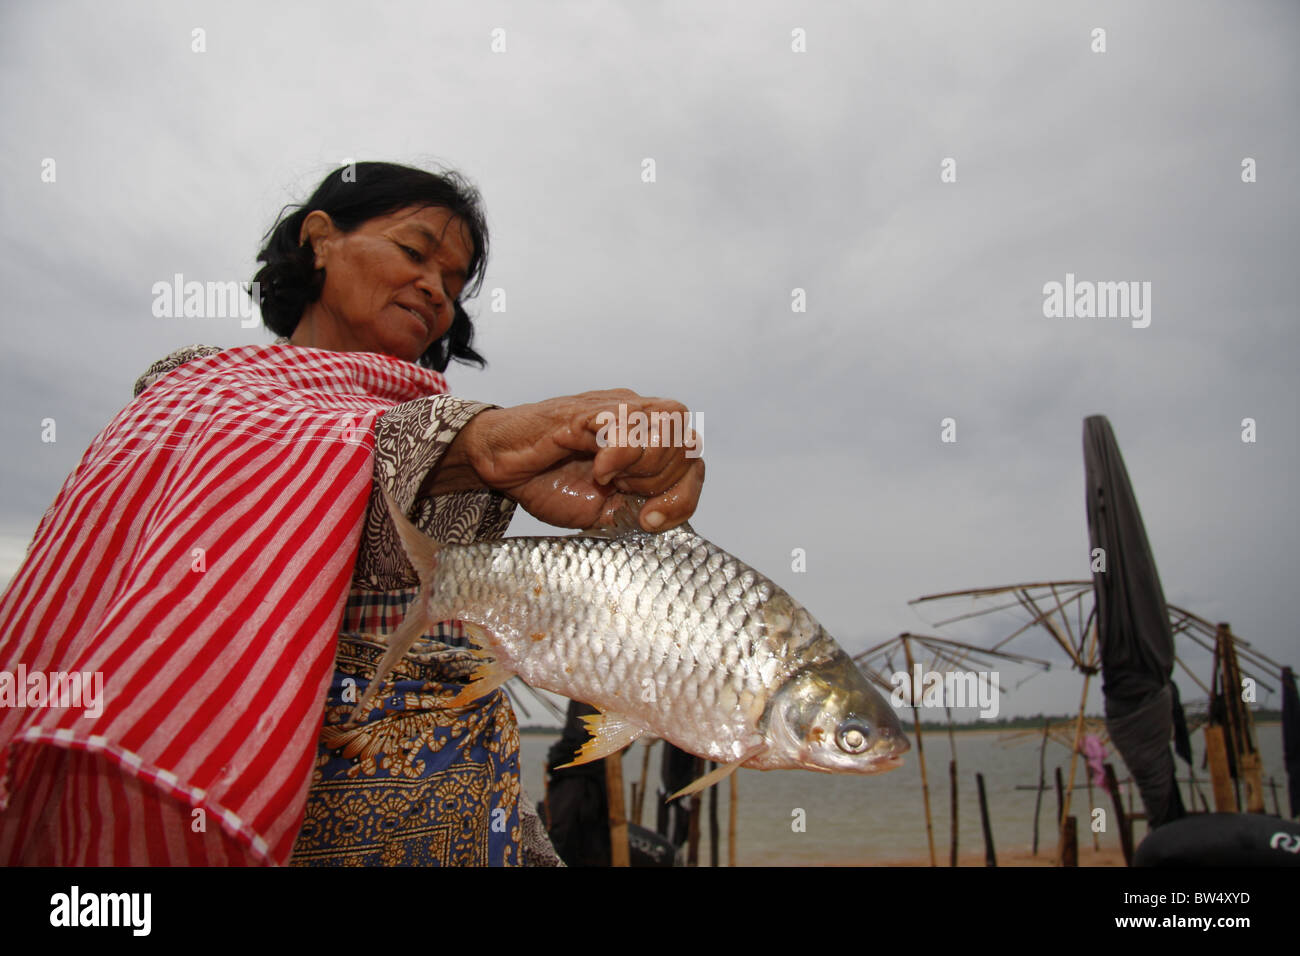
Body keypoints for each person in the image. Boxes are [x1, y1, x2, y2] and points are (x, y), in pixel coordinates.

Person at [0, 161, 704, 866]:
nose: (436, 289)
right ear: (320, 238)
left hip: (471, 821)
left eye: (455, 284)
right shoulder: (199, 388)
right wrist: (483, 446)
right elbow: (281, 473)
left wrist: (613, 486)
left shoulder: (452, 426)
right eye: (414, 251)